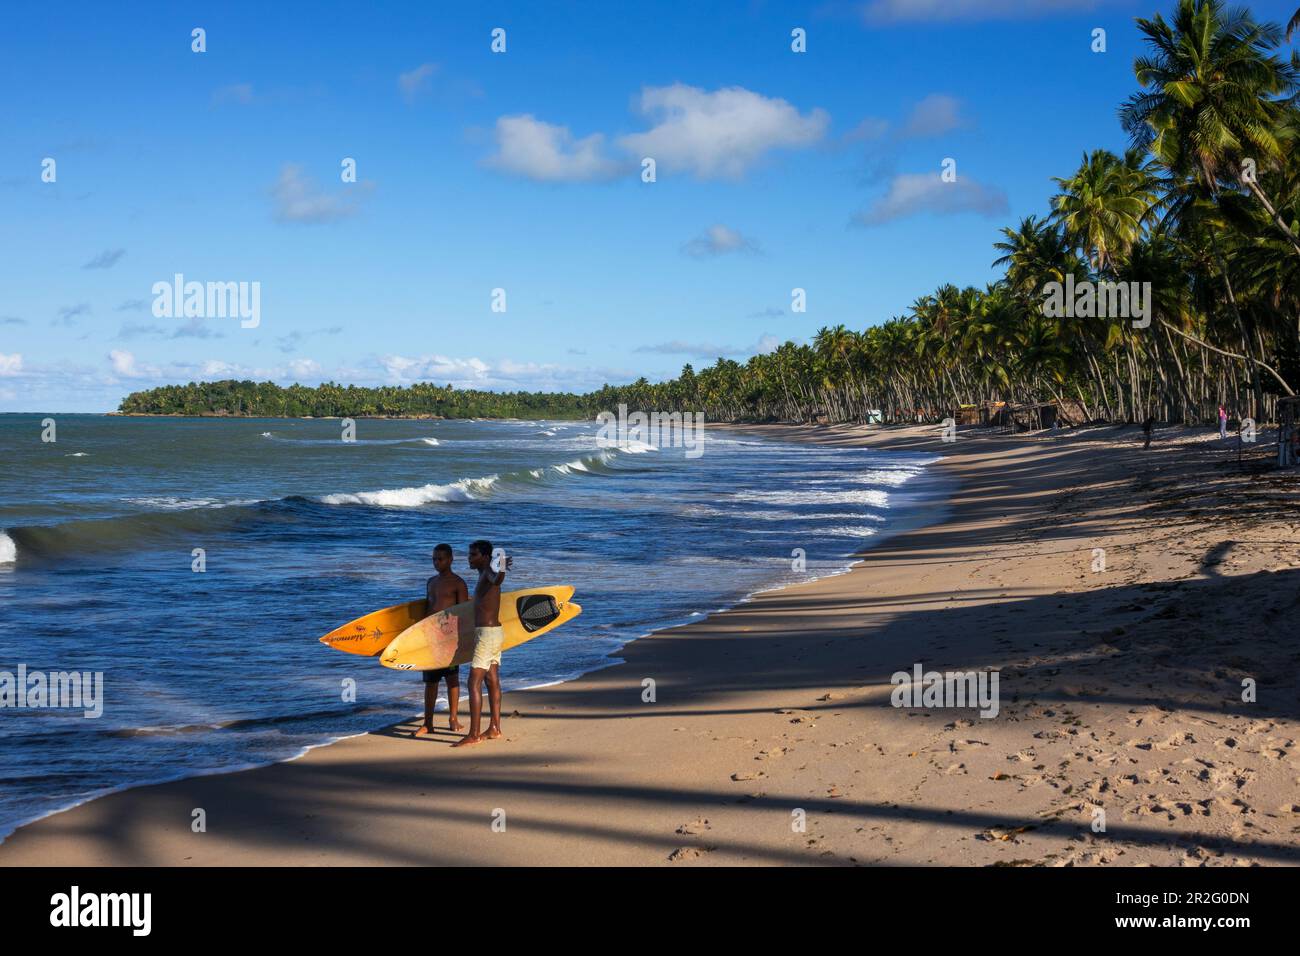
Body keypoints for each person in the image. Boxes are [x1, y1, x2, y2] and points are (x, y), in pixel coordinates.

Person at [452, 539, 512, 748]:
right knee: (492, 679)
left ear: (485, 557)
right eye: (469, 554)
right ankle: (494, 728)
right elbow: (486, 597)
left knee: (473, 682)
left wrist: (501, 565)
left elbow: (497, 580)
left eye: (473, 554)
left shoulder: (487, 572)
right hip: (494, 632)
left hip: (486, 634)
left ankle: (474, 734)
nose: (469, 558)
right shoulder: (482, 575)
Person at [414, 544, 468, 737]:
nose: (437, 562)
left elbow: (464, 613)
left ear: (451, 559)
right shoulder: (431, 582)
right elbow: (428, 608)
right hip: (431, 638)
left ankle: (453, 719)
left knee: (452, 679)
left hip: (450, 639)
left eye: (441, 559)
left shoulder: (458, 583)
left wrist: (462, 640)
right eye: (434, 559)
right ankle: (428, 723)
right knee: (430, 682)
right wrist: (420, 633)